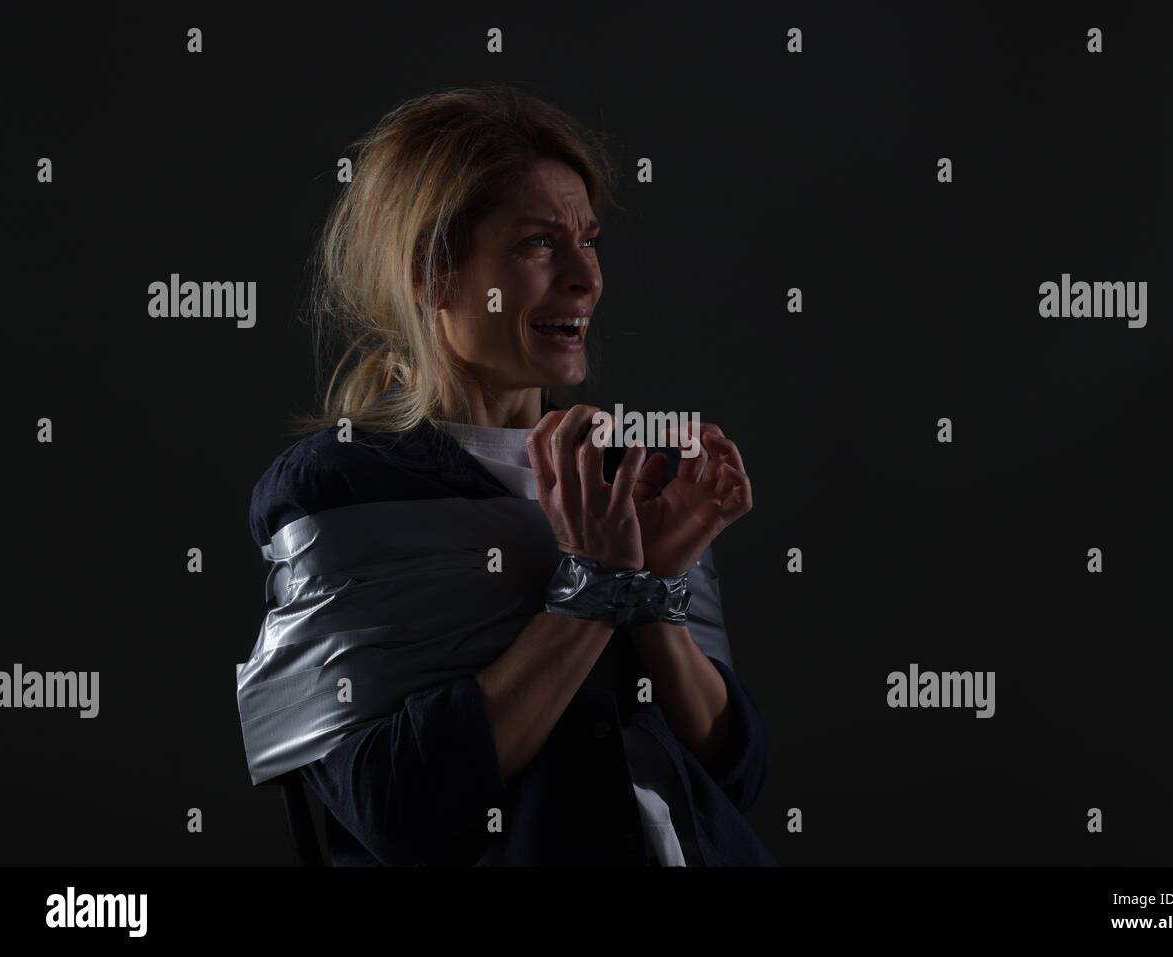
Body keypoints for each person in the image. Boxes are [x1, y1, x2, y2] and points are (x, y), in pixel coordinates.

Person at [244, 84, 776, 866]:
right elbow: (397, 807)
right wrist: (594, 588)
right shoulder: (343, 485)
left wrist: (655, 594)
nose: (586, 277)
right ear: (433, 272)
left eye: (588, 241)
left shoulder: (626, 467)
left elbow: (734, 779)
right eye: (537, 244)